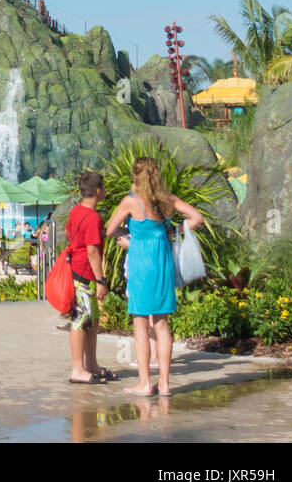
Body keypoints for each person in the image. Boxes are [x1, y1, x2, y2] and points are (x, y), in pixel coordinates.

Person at [105, 156, 204, 397]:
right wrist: (174, 230)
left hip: (140, 263)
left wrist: (128, 236)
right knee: (162, 324)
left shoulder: (130, 202)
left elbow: (109, 230)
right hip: (162, 263)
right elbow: (197, 218)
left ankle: (145, 384)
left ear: (135, 177)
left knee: (140, 325)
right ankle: (166, 384)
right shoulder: (167, 200)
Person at [66, 171, 115, 385]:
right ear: (98, 191)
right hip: (84, 274)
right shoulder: (93, 217)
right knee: (81, 319)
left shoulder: (75, 211)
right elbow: (93, 250)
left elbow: (70, 235)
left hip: (76, 269)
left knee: (92, 320)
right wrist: (101, 280)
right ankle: (77, 368)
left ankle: (91, 364)